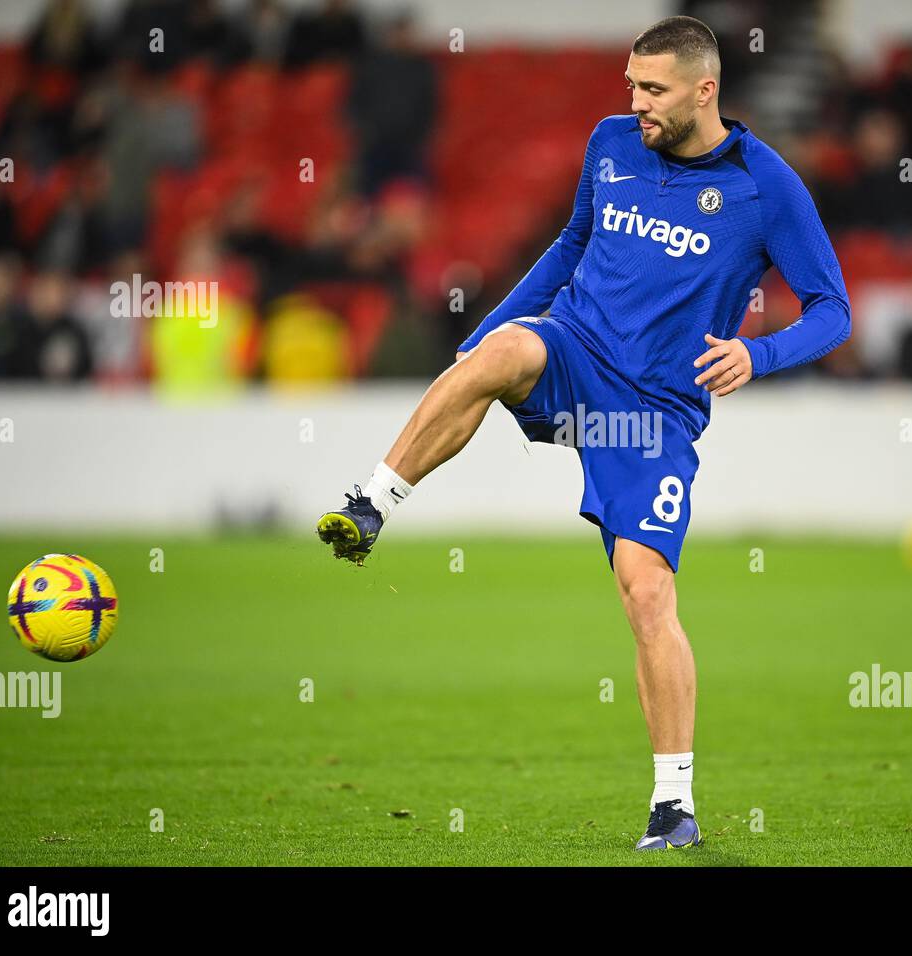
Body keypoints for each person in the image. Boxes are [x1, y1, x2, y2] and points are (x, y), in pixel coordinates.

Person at [315, 16, 850, 851]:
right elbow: (571, 246)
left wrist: (760, 352)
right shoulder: (611, 143)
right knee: (502, 352)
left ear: (705, 90)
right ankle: (373, 502)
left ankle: (672, 806)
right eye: (630, 85)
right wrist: (489, 330)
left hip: (654, 414)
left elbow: (833, 309)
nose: (633, 103)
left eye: (653, 90)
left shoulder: (764, 185)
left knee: (646, 592)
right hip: (574, 352)